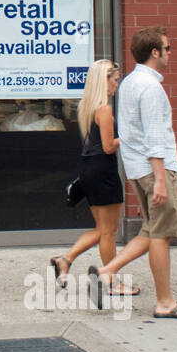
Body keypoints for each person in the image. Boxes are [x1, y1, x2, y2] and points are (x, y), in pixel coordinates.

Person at [90, 27, 177, 319]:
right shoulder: (150, 87)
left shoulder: (128, 83)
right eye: (167, 48)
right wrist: (162, 181)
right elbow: (154, 137)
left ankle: (107, 271)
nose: (170, 53)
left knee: (151, 230)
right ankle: (165, 302)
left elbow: (128, 133)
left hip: (138, 170)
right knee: (161, 236)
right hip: (156, 170)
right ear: (155, 52)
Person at [48, 60, 135, 295]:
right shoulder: (104, 109)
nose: (117, 84)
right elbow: (108, 146)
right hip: (103, 170)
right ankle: (111, 281)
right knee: (108, 231)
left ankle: (65, 260)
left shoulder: (85, 106)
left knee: (101, 228)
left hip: (88, 168)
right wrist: (130, 135)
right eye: (115, 79)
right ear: (104, 80)